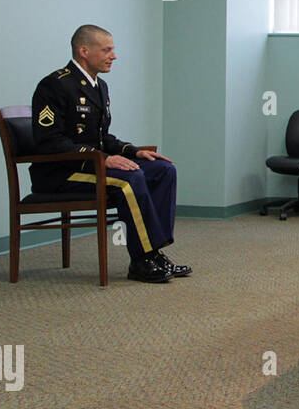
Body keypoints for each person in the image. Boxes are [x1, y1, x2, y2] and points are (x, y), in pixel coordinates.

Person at [31, 25, 189, 284]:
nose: (113, 55)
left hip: (92, 166)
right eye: (107, 50)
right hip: (62, 173)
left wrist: (134, 151)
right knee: (130, 178)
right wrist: (102, 158)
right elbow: (50, 142)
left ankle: (154, 253)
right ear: (84, 51)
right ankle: (142, 260)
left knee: (163, 170)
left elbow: (103, 138)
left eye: (112, 49)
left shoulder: (99, 86)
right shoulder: (55, 85)